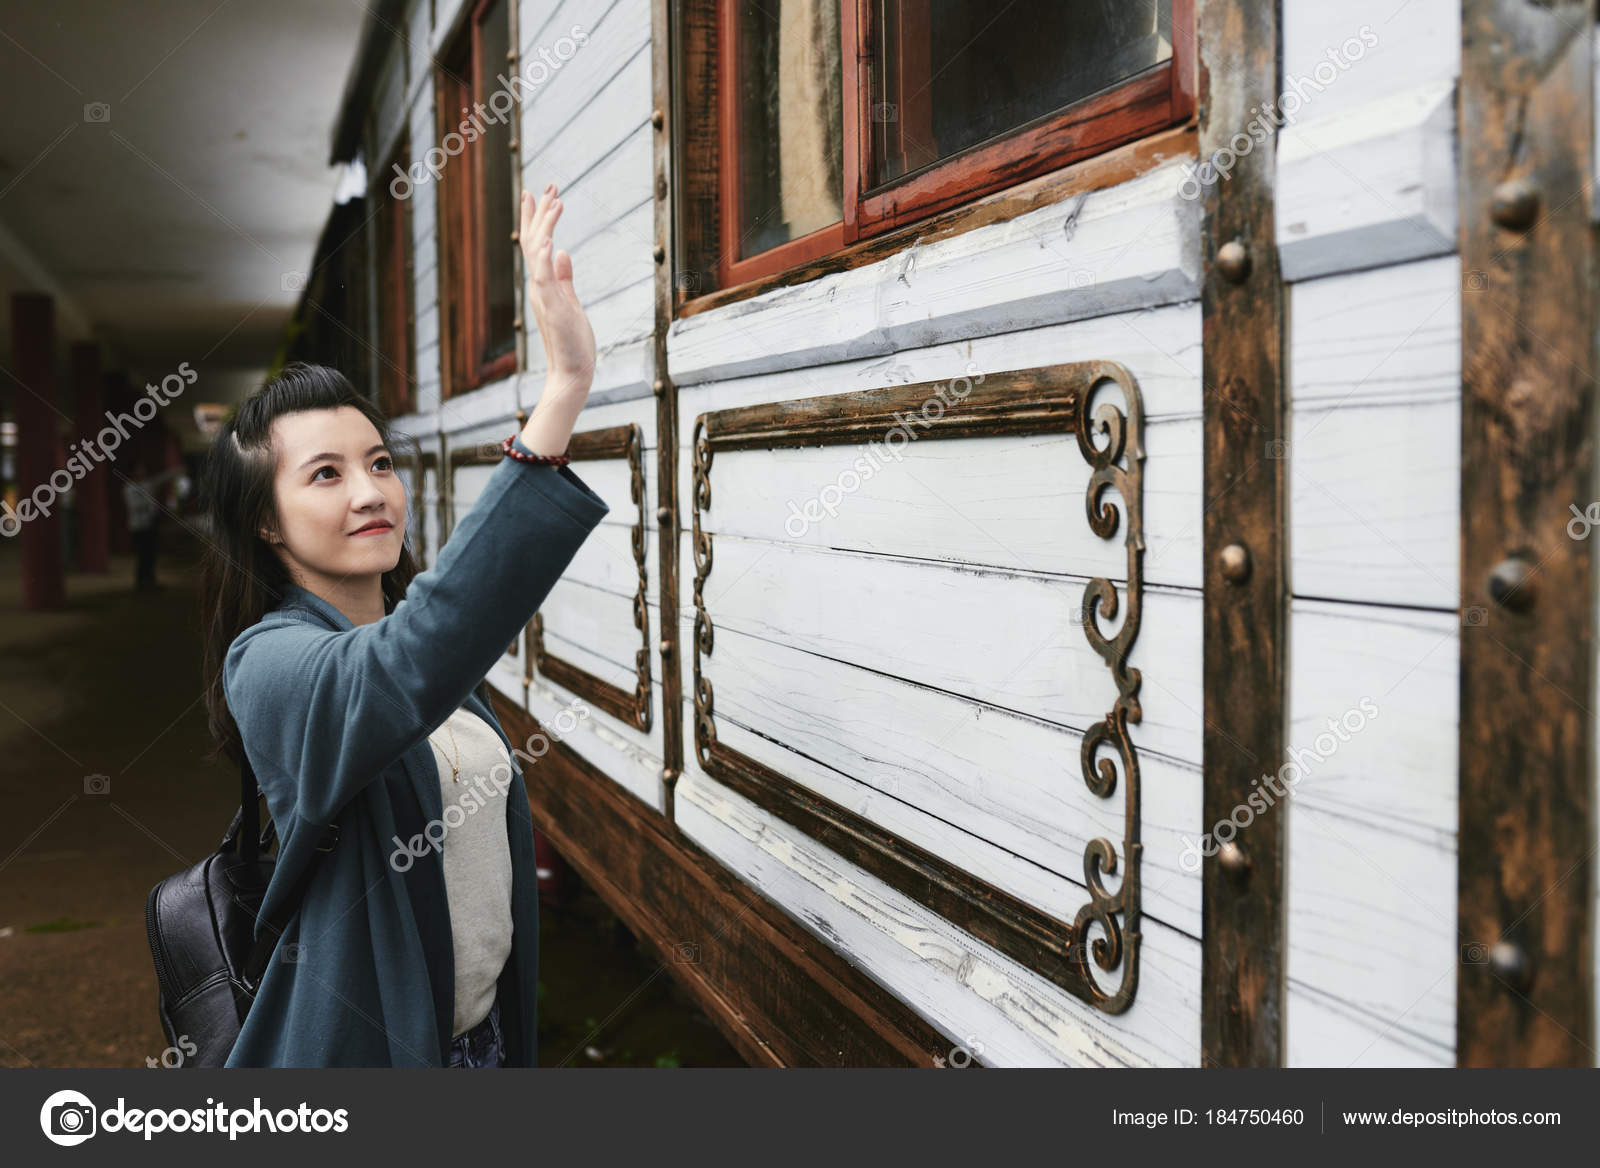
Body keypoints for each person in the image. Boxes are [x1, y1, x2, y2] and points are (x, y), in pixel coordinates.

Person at [200, 183, 604, 1067]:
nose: (371, 492)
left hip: (481, 1046)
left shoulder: (416, 643)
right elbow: (410, 658)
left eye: (379, 462)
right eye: (326, 474)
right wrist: (563, 392)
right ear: (265, 523)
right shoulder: (266, 664)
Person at [123, 455, 190, 590]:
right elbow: (134, 506)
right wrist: (148, 500)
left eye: (142, 469)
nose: (141, 471)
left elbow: (162, 478)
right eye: (138, 469)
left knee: (151, 555)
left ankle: (150, 581)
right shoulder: (129, 488)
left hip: (150, 524)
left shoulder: (147, 484)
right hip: (138, 527)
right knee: (143, 556)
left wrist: (178, 470)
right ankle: (141, 582)